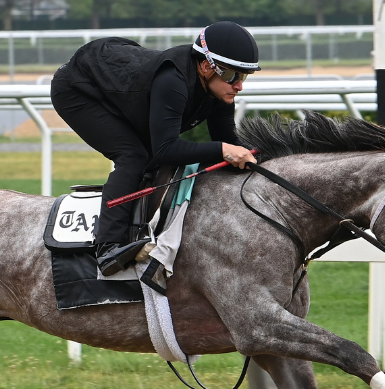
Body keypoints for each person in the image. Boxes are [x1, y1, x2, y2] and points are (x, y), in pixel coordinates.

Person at [51, 21, 261, 276]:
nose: (239, 85)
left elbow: (230, 146)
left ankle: (143, 230)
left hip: (121, 81)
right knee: (135, 156)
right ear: (206, 66)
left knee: (151, 159)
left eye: (244, 76)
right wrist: (223, 150)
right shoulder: (173, 82)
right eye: (232, 76)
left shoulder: (220, 92)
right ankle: (109, 247)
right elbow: (167, 149)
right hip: (78, 88)